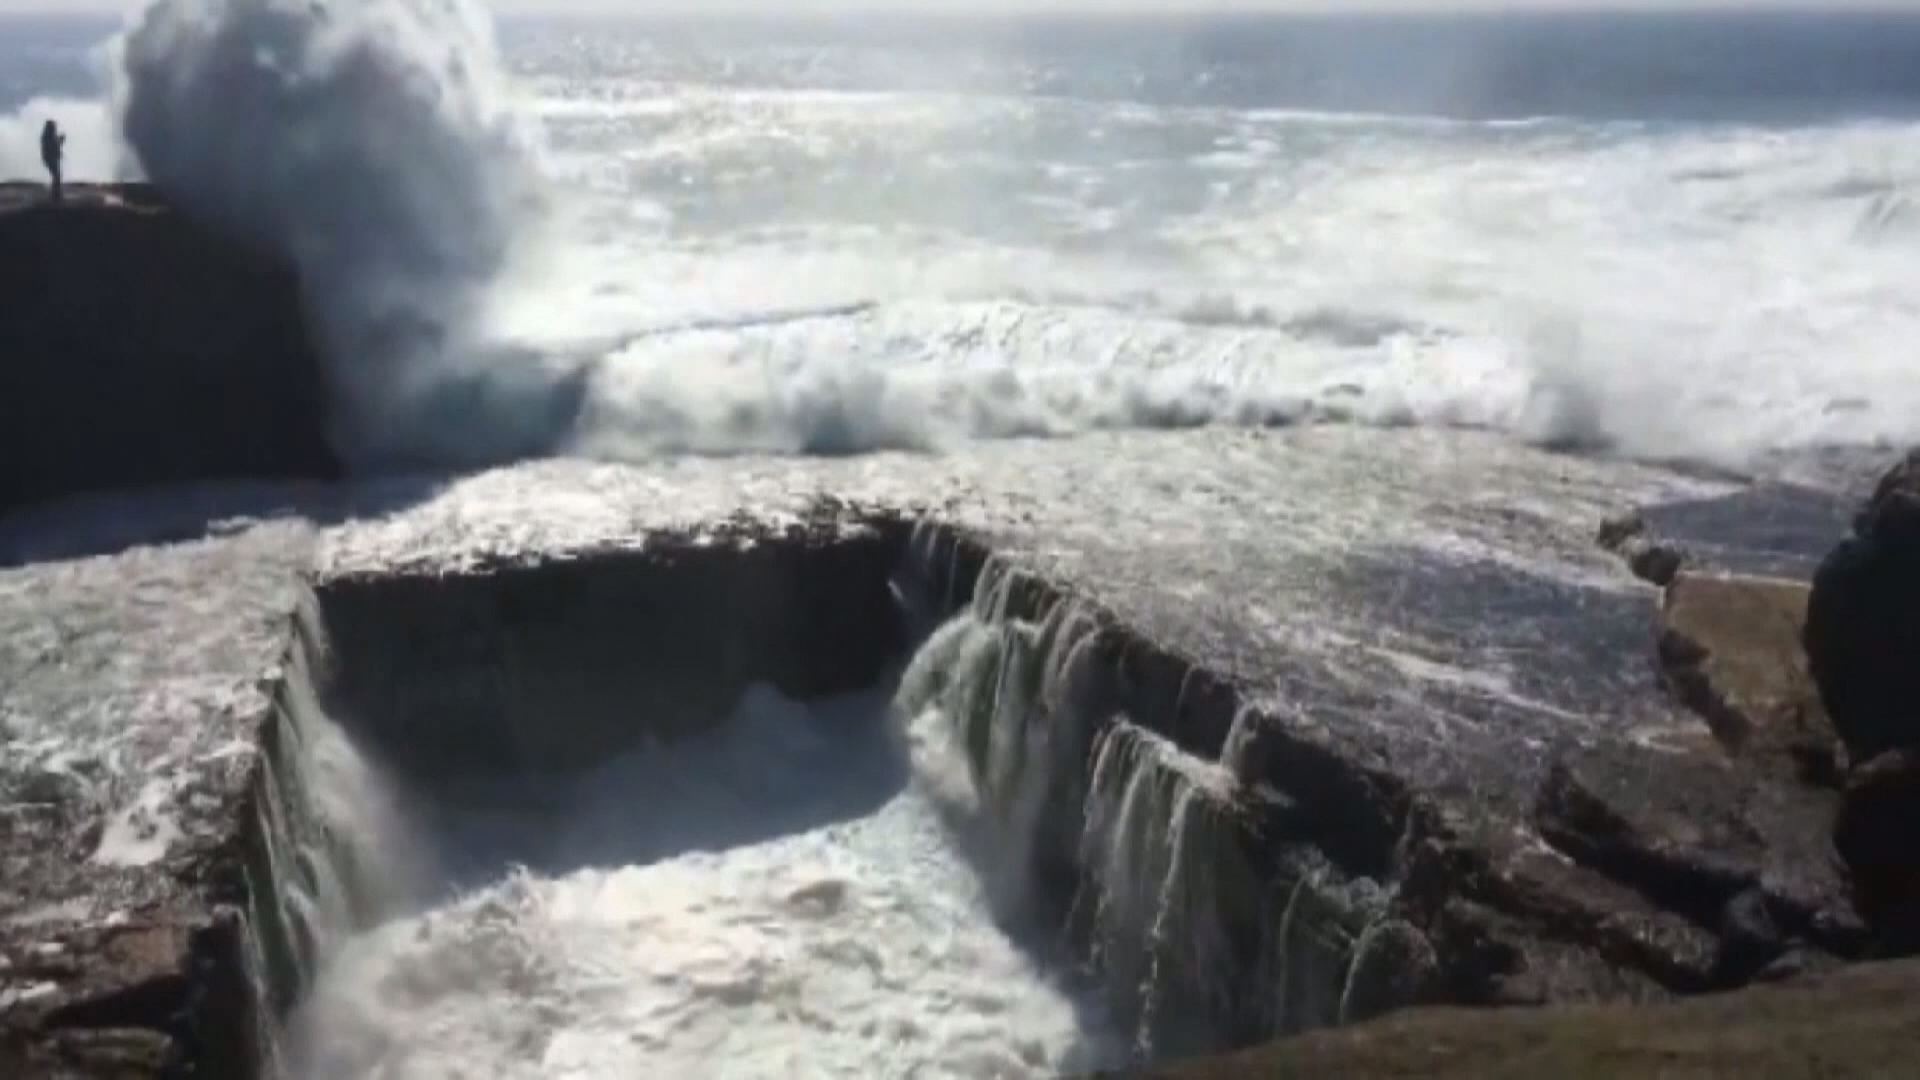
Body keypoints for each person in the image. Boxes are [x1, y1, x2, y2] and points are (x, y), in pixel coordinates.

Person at [40, 120, 64, 203]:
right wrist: (60, 141)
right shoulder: (47, 136)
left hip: (50, 158)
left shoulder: (48, 136)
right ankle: (55, 195)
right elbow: (52, 146)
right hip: (50, 159)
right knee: (57, 175)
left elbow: (54, 144)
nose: (55, 128)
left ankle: (56, 193)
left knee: (57, 175)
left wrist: (59, 141)